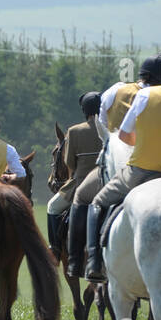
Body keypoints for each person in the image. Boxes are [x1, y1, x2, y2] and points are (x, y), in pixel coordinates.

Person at [66, 54, 161, 278]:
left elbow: (105, 131)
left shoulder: (117, 91)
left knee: (85, 198)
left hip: (133, 167)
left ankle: (82, 261)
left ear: (142, 74)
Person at [47, 92, 101, 257]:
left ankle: (55, 249)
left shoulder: (74, 131)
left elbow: (69, 162)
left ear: (84, 110)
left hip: (81, 184)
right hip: (108, 182)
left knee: (52, 207)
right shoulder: (111, 129)